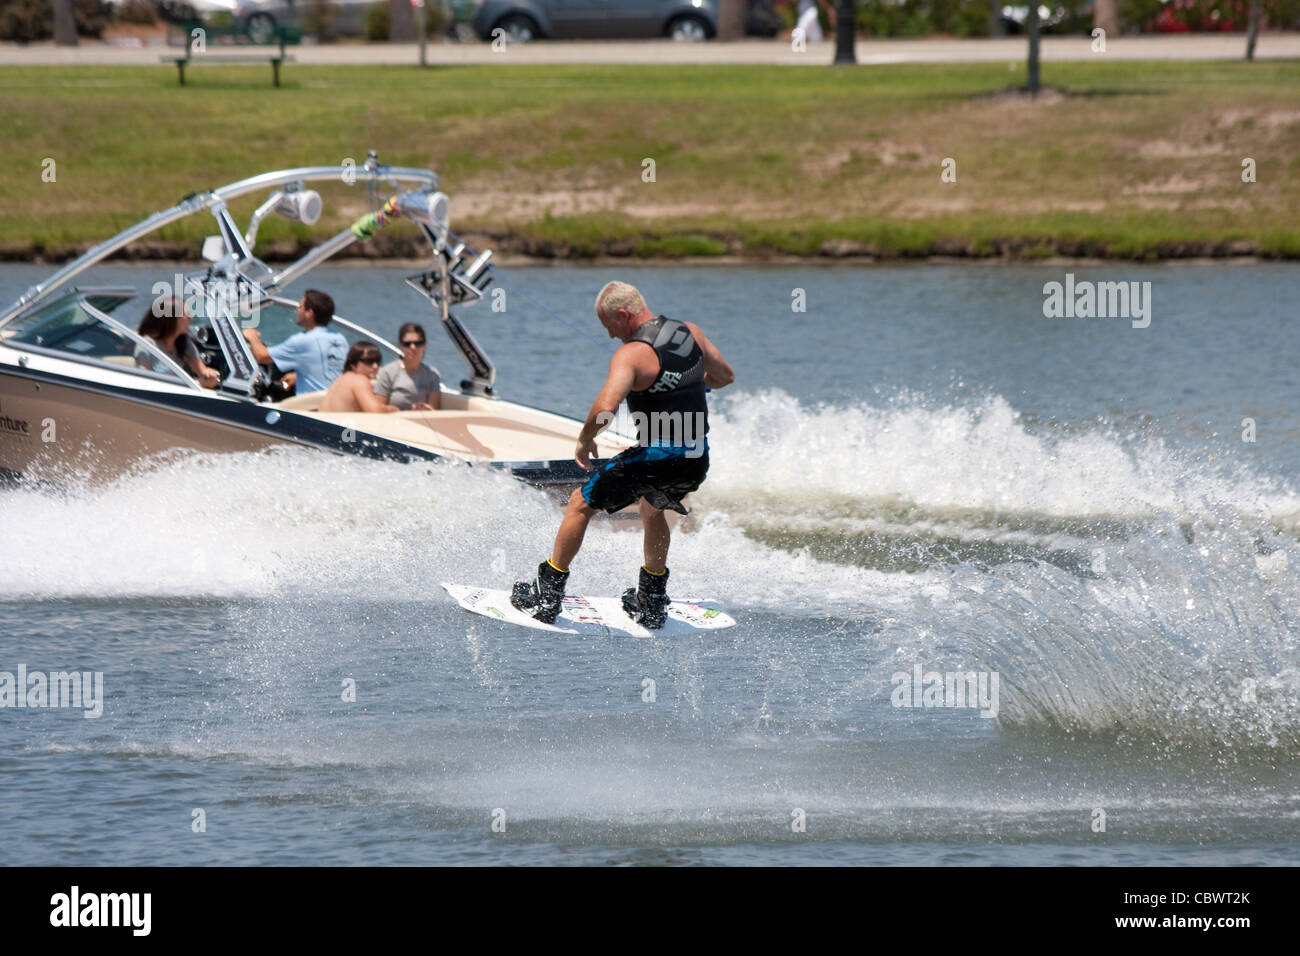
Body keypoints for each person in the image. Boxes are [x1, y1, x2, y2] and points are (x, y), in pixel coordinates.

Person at [511, 281, 735, 629]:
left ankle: (547, 595)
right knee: (653, 506)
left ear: (623, 314)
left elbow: (605, 408)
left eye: (609, 326)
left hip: (657, 458)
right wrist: (686, 382)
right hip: (696, 458)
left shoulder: (632, 354)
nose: (612, 336)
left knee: (579, 503)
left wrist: (586, 440)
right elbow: (723, 376)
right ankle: (652, 599)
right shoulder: (690, 332)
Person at [241, 289, 347, 395]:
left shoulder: (303, 340)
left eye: (300, 307)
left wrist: (252, 336)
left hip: (309, 406)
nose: (297, 310)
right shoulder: (340, 339)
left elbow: (262, 356)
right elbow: (329, 370)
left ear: (309, 313)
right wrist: (300, 376)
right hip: (334, 401)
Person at [136, 297, 220, 388]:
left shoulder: (184, 343)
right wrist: (196, 383)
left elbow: (203, 372)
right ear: (172, 319)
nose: (191, 319)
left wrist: (210, 375)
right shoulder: (147, 345)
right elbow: (143, 380)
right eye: (187, 315)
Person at [319, 342, 400, 413]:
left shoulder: (341, 379)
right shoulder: (360, 380)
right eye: (369, 361)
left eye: (378, 361)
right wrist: (393, 409)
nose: (375, 366)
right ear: (353, 364)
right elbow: (375, 410)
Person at [375, 322, 441, 410]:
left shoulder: (432, 375)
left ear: (424, 345)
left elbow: (434, 409)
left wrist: (425, 409)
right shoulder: (387, 372)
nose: (413, 347)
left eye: (418, 343)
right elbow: (379, 409)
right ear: (401, 346)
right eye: (407, 344)